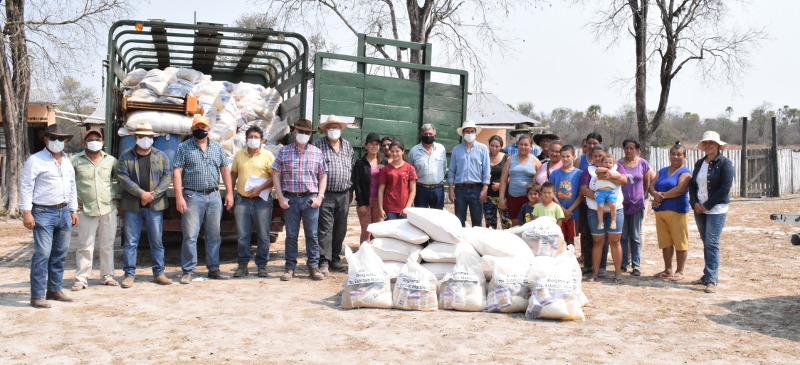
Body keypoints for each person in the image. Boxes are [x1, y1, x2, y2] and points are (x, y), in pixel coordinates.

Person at [20, 124, 79, 308]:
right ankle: (37, 295)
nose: (57, 141)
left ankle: (54, 290)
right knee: (43, 253)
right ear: (45, 139)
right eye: (53, 138)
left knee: (60, 254)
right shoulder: (35, 160)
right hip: (43, 212)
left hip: (64, 212)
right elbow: (26, 186)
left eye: (60, 139)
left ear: (66, 141)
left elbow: (72, 187)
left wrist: (73, 209)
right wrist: (26, 212)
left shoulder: (67, 161)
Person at [173, 115, 234, 284]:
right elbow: (177, 172)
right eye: (197, 127)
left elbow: (225, 170)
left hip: (214, 196)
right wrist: (179, 196)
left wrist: (229, 193)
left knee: (214, 235)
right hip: (193, 196)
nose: (201, 130)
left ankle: (213, 268)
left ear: (209, 129)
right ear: (192, 130)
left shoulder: (217, 148)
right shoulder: (184, 148)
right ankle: (188, 270)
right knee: (190, 236)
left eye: (204, 127)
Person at [117, 121, 173, 287]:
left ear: (153, 138)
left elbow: (166, 177)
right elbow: (123, 178)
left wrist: (153, 195)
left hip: (154, 205)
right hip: (132, 206)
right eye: (141, 136)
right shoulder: (125, 157)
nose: (145, 139)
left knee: (156, 240)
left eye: (148, 136)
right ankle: (129, 274)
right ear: (135, 137)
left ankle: (159, 273)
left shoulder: (161, 156)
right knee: (131, 242)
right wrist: (141, 193)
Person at [272, 119, 328, 281]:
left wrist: (320, 196)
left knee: (312, 235)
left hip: (310, 199)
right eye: (301, 131)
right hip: (291, 199)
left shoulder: (316, 152)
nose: (304, 135)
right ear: (295, 132)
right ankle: (289, 268)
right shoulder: (284, 151)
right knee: (291, 235)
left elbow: (323, 175)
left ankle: (313, 267)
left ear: (311, 134)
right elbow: (276, 174)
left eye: (307, 132)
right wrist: (280, 197)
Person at [70, 129, 119, 290]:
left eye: (97, 139)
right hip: (86, 209)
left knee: (107, 245)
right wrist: (73, 203)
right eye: (90, 139)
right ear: (84, 143)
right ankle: (82, 278)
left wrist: (117, 198)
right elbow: (68, 183)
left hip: (107, 209)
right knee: (85, 245)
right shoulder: (75, 161)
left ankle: (107, 276)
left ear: (102, 142)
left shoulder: (110, 161)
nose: (94, 142)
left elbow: (121, 179)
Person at [689, 131, 734, 294]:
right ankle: (707, 274)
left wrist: (707, 205)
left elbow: (725, 188)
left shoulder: (724, 163)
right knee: (706, 242)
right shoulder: (699, 163)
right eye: (705, 143)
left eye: (711, 143)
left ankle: (711, 279)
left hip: (716, 209)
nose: (708, 145)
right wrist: (694, 203)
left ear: (718, 145)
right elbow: (692, 185)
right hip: (699, 209)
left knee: (712, 243)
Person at [231, 125, 275, 278]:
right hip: (242, 200)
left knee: (263, 234)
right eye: (251, 137)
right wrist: (230, 193)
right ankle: (242, 265)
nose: (253, 140)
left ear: (262, 140)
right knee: (243, 234)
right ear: (246, 139)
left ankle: (262, 265)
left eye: (256, 137)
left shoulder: (268, 155)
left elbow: (275, 177)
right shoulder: (239, 155)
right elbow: (233, 175)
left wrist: (260, 188)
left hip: (261, 201)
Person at [580, 145, 627, 283]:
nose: (598, 159)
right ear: (592, 158)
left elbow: (623, 180)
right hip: (595, 211)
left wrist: (610, 175)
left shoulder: (616, 168)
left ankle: (618, 273)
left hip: (615, 210)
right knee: (597, 242)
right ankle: (595, 272)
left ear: (606, 156)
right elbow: (584, 189)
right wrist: (601, 198)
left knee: (615, 241)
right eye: (595, 156)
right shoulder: (588, 170)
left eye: (601, 156)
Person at [313, 115, 353, 275]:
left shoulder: (348, 146)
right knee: (325, 229)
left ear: (341, 129)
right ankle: (324, 261)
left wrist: (352, 192)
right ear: (325, 130)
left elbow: (351, 168)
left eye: (337, 127)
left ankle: (335, 258)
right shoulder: (318, 146)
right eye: (330, 127)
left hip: (344, 193)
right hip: (326, 194)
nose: (334, 130)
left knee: (340, 229)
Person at [651, 141, 692, 282]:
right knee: (666, 241)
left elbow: (680, 189)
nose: (676, 157)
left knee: (680, 241)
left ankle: (680, 271)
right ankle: (668, 269)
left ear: (685, 157)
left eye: (679, 154)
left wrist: (660, 196)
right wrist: (654, 194)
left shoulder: (685, 173)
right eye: (673, 154)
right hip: (660, 211)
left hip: (677, 211)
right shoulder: (662, 171)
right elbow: (651, 185)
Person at [618, 138, 651, 277]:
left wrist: (640, 197)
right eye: (627, 148)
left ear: (637, 150)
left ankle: (636, 265)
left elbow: (646, 182)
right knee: (623, 236)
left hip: (637, 204)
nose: (629, 150)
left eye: (632, 148)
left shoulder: (642, 163)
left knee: (636, 236)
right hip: (621, 204)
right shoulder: (618, 164)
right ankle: (623, 263)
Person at [448, 120, 490, 227]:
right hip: (460, 190)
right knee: (459, 221)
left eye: (472, 131)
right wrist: (451, 189)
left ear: (475, 133)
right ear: (463, 133)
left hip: (476, 189)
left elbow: (486, 169)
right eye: (467, 131)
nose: (470, 134)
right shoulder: (456, 150)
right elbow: (452, 170)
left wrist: (485, 189)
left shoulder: (483, 149)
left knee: (477, 221)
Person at [575, 132, 606, 273]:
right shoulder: (579, 160)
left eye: (595, 143)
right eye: (590, 143)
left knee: (600, 234)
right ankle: (587, 263)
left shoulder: (606, 162)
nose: (592, 146)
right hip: (583, 202)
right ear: (585, 143)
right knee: (586, 233)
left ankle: (600, 265)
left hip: (602, 204)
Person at [499, 135, 542, 222]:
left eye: (526, 145)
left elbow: (541, 179)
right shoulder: (510, 160)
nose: (523, 147)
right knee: (515, 225)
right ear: (517, 145)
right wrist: (501, 198)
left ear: (531, 147)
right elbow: (503, 180)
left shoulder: (536, 161)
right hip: (513, 198)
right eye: (521, 144)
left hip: (529, 200)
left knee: (529, 226)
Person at [353, 132, 385, 243]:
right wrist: (361, 203)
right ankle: (363, 257)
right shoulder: (360, 163)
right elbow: (357, 184)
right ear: (366, 146)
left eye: (376, 144)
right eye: (371, 144)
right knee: (366, 232)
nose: (374, 146)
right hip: (365, 201)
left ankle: (374, 257)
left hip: (379, 202)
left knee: (376, 232)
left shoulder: (383, 162)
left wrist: (385, 169)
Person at [549, 145, 583, 246]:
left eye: (568, 156)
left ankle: (570, 258)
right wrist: (562, 210)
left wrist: (569, 211)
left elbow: (581, 195)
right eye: (563, 156)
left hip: (573, 213)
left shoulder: (579, 173)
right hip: (558, 212)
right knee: (558, 237)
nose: (565, 159)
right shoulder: (555, 174)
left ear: (574, 156)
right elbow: (551, 193)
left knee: (570, 239)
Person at [409, 124, 447, 209]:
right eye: (425, 134)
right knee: (421, 217)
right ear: (421, 135)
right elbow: (410, 171)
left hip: (438, 189)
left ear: (435, 135)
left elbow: (444, 167)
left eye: (430, 134)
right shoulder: (414, 151)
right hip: (420, 189)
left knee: (437, 217)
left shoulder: (441, 149)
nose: (428, 136)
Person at [379, 140, 418, 220]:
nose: (395, 154)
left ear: (403, 151)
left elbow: (413, 190)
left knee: (404, 232)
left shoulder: (410, 168)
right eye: (392, 151)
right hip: (389, 208)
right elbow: (381, 190)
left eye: (397, 151)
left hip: (404, 208)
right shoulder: (385, 169)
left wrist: (407, 207)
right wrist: (380, 208)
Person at [483, 135, 511, 229]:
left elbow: (512, 176)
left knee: (507, 224)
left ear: (501, 147)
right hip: (488, 197)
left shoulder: (507, 158)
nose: (494, 148)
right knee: (490, 225)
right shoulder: (484, 157)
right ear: (489, 145)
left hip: (503, 197)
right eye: (492, 145)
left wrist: (502, 184)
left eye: (497, 146)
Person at [593, 153, 620, 230]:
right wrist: (607, 170)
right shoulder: (600, 171)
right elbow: (597, 170)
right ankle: (600, 222)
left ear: (613, 164)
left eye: (610, 163)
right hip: (600, 192)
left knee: (613, 205)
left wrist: (611, 175)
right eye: (606, 162)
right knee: (600, 206)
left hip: (610, 191)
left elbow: (619, 176)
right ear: (601, 163)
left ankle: (613, 221)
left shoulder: (613, 171)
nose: (608, 164)